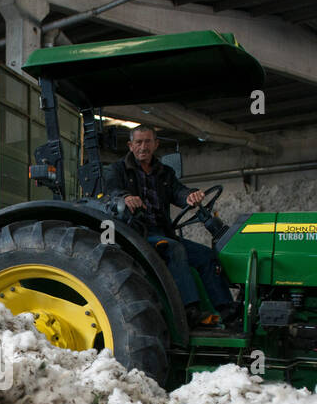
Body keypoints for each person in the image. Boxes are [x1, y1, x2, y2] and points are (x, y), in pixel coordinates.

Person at [102, 125, 239, 329]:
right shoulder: (116, 170)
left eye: (148, 142)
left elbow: (179, 192)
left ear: (156, 144)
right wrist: (125, 197)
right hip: (137, 235)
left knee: (206, 256)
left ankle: (229, 312)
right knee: (175, 249)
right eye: (138, 142)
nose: (143, 147)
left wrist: (190, 196)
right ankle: (189, 311)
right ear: (130, 145)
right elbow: (112, 192)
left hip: (162, 233)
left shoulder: (164, 172)